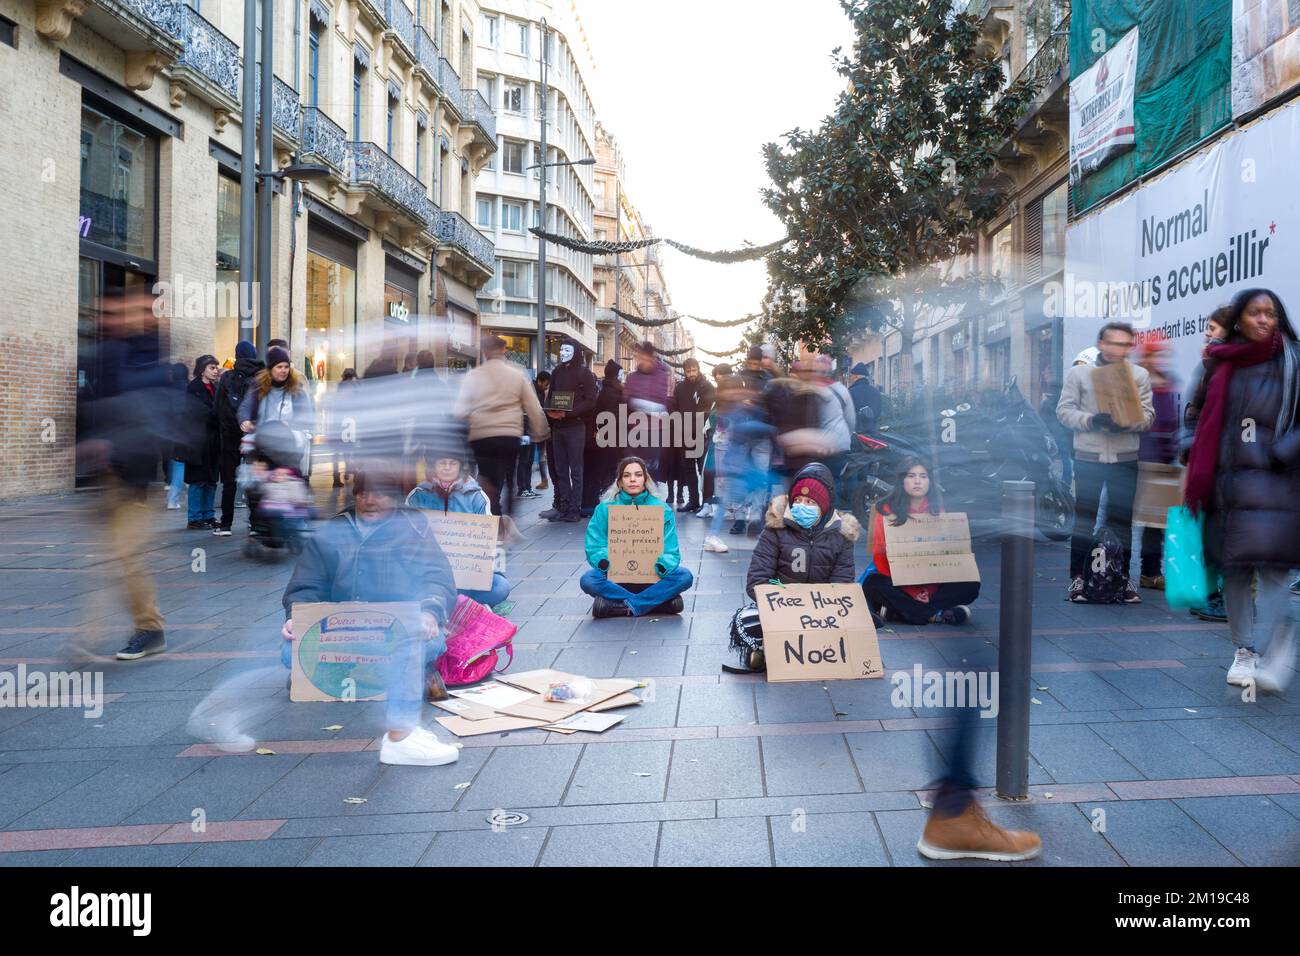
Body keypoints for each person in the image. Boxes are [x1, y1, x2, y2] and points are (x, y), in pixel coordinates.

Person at [281, 464, 460, 766]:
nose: (370, 501)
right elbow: (305, 585)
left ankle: (369, 684)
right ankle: (391, 676)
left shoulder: (413, 528)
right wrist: (296, 618)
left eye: (379, 495)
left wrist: (430, 612)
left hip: (396, 631)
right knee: (288, 653)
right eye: (363, 494)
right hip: (343, 630)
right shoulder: (333, 531)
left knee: (431, 643)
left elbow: (436, 577)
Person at [1185, 288, 1300, 692]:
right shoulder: (1217, 363)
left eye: (1271, 313)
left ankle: (1272, 649)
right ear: (1239, 319)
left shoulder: (1294, 360)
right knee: (1233, 571)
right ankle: (1244, 650)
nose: (1263, 320)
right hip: (1227, 486)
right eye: (1255, 313)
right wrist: (1192, 449)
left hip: (1276, 485)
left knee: (1272, 572)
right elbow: (1194, 413)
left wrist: (1282, 452)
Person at [74, 288, 171, 660]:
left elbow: (149, 414)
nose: (110, 319)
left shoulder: (146, 358)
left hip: (136, 479)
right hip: (109, 479)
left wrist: (112, 444)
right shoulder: (105, 355)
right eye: (105, 312)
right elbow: (89, 407)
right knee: (110, 557)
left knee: (127, 555)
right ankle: (90, 634)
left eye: (119, 311)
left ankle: (150, 628)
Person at [1056, 322, 1154, 603]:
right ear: (1100, 343)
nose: (1117, 349)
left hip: (1125, 458)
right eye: (1112, 343)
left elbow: (1148, 417)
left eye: (1124, 344)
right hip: (1089, 457)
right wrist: (1090, 421)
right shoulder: (1079, 373)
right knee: (1084, 520)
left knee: (1122, 521)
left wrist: (1130, 422)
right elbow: (1064, 411)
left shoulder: (1139, 375)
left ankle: (1122, 579)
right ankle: (1078, 578)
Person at [861, 457, 980, 625]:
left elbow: (944, 556)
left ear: (930, 481)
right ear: (902, 480)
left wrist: (927, 590)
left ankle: (901, 611)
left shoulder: (937, 509)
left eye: (923, 476)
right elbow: (881, 558)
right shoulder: (886, 510)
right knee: (873, 583)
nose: (917, 481)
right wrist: (912, 591)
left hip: (933, 582)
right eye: (911, 476)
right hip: (898, 583)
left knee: (970, 583)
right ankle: (934, 614)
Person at [581, 456, 695, 618]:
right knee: (589, 579)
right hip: (616, 578)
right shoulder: (604, 509)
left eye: (638, 475)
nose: (632, 479)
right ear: (619, 482)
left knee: (684, 576)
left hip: (653, 578)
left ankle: (623, 606)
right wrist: (608, 562)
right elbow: (595, 546)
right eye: (626, 475)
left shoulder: (662, 509)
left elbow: (671, 550)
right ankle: (657, 603)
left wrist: (661, 565)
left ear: (645, 479)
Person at [453, 334, 549, 519]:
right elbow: (534, 407)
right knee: (510, 475)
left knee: (488, 476)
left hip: (482, 435)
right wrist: (540, 433)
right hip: (509, 434)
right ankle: (509, 514)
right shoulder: (517, 373)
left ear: (484, 351)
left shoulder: (473, 375)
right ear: (503, 350)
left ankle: (493, 512)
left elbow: (460, 410)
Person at [406, 445, 512, 608]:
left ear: (460, 466)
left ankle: (450, 603)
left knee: (500, 587)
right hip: (430, 574)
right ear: (434, 466)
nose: (447, 467)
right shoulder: (418, 496)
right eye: (442, 463)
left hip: (467, 573)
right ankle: (459, 604)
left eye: (452, 463)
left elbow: (487, 540)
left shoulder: (476, 496)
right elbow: (407, 537)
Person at [1180, 309, 1231, 621]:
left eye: (1213, 328)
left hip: (1228, 463)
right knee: (1212, 532)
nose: (1207, 333)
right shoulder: (1207, 365)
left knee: (1222, 534)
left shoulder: (1231, 365)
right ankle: (1211, 596)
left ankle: (1221, 597)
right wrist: (1189, 446)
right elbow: (1189, 411)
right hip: (1210, 463)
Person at [744, 462, 860, 598]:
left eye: (810, 502)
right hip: (780, 608)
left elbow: (842, 586)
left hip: (823, 612)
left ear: (824, 507)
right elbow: (757, 582)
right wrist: (786, 597)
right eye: (797, 500)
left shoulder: (842, 535)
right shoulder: (775, 530)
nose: (801, 506)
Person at [1136, 340, 1180, 590]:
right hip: (1142, 461)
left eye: (1165, 355)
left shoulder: (1169, 382)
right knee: (1146, 521)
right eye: (1157, 355)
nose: (1161, 360)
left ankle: (1151, 571)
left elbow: (1172, 423)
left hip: (1164, 464)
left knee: (1157, 522)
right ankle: (1145, 571)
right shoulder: (1140, 383)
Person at [238, 345, 315, 478]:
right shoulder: (258, 387)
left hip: (288, 449)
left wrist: (293, 427)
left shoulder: (297, 391)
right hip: (263, 449)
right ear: (270, 369)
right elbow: (246, 407)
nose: (283, 370)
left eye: (286, 367)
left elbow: (306, 418)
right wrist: (244, 420)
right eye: (279, 367)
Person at [543, 338, 598, 522]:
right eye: (562, 350)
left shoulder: (585, 373)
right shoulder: (557, 371)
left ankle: (575, 508)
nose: (563, 354)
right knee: (560, 469)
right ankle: (564, 506)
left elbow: (591, 401)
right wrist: (550, 411)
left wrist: (570, 413)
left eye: (567, 350)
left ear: (576, 352)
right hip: (558, 427)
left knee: (575, 469)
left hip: (575, 427)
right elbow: (550, 396)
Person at [214, 341, 264, 535]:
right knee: (254, 479)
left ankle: (226, 524)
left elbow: (217, 408)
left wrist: (225, 426)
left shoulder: (227, 377)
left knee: (229, 482)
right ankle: (254, 524)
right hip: (253, 436)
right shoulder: (261, 377)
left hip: (229, 437)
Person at [670, 358, 716, 513]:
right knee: (688, 468)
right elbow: (674, 407)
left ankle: (706, 503)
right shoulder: (680, 388)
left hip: (702, 434)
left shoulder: (707, 387)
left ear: (698, 369)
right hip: (685, 434)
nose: (691, 374)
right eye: (688, 371)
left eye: (694, 370)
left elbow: (709, 410)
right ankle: (693, 500)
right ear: (685, 371)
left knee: (703, 469)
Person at [182, 355, 222, 530]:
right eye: (212, 368)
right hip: (198, 442)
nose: (215, 371)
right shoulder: (194, 388)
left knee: (211, 480)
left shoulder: (215, 387)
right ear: (202, 369)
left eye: (216, 368)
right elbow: (200, 412)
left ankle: (208, 515)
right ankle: (195, 518)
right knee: (198, 481)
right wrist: (219, 415)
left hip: (213, 441)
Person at [624, 341, 674, 477]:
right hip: (635, 431)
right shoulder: (632, 377)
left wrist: (638, 403)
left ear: (652, 358)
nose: (641, 362)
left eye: (644, 358)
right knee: (633, 471)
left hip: (655, 432)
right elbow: (626, 401)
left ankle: (649, 496)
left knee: (650, 474)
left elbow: (665, 404)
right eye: (639, 358)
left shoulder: (664, 376)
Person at [328, 368, 358, 488]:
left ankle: (336, 477)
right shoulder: (353, 388)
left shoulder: (340, 387)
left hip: (338, 424)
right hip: (349, 423)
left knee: (337, 452)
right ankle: (347, 471)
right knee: (348, 450)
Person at [164, 362, 188, 510]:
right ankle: (173, 498)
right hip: (184, 432)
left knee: (176, 464)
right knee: (180, 465)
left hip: (170, 432)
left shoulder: (168, 390)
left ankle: (173, 496)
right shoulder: (188, 389)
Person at [847, 362, 883, 429]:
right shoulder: (876, 392)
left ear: (856, 376)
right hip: (873, 432)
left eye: (851, 376)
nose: (850, 378)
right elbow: (879, 413)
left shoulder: (850, 392)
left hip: (856, 433)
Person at [533, 370, 552, 493]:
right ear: (539, 381)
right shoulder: (532, 390)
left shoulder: (542, 392)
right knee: (531, 457)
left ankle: (544, 480)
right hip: (533, 427)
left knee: (541, 454)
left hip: (541, 426)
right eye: (545, 384)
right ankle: (543, 480)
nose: (546, 387)